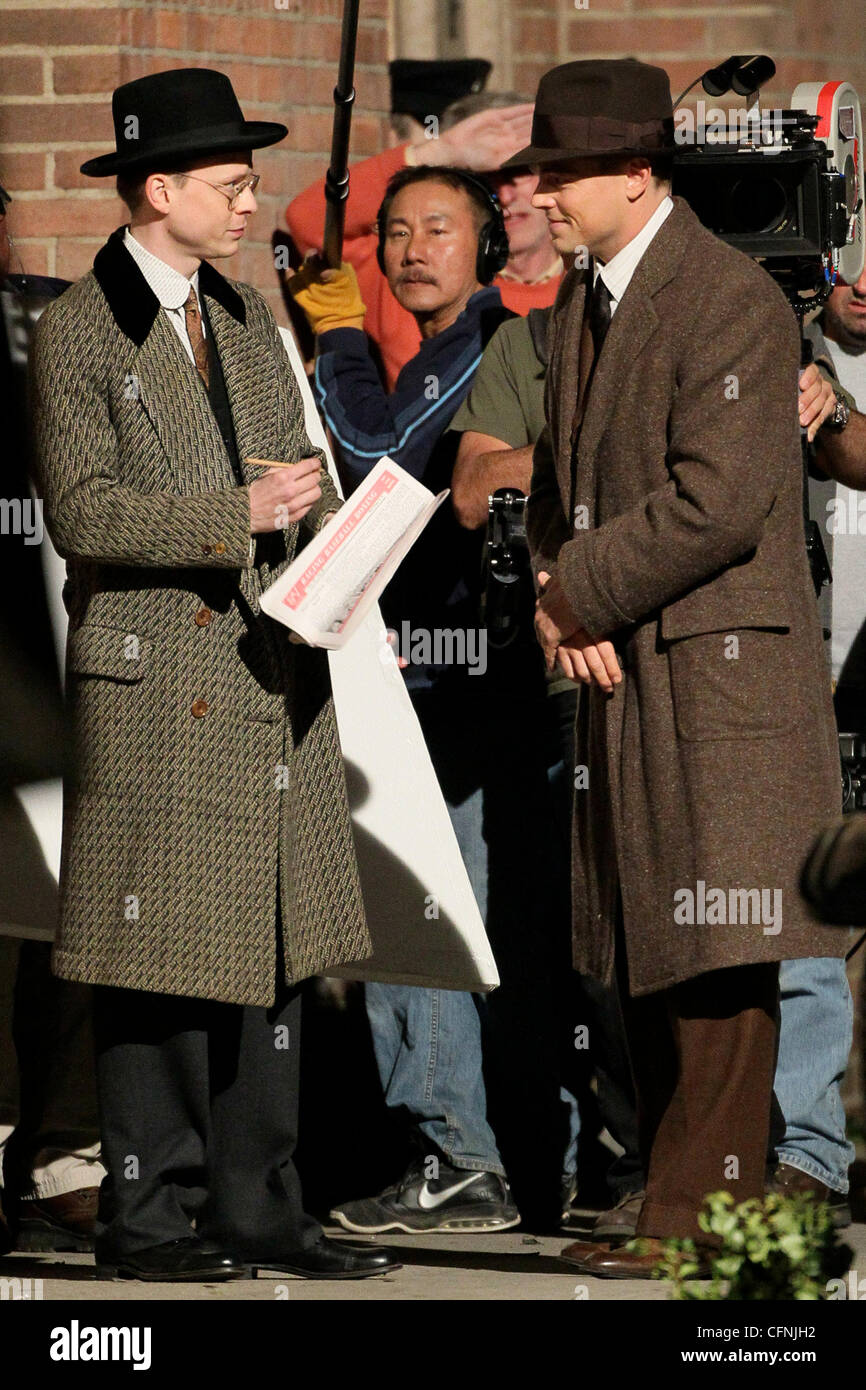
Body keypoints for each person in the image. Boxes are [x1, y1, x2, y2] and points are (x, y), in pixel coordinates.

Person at [30, 67, 399, 1283]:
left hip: (266, 667)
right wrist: (233, 515)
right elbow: (84, 512)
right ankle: (149, 1215)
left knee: (276, 948)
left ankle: (259, 1203)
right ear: (157, 190)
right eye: (230, 185)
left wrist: (339, 543)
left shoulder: (239, 312)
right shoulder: (85, 328)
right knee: (154, 965)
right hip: (156, 681)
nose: (251, 202)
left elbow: (299, 464)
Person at [512, 59, 848, 1278]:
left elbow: (718, 503)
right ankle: (676, 1194)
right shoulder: (578, 303)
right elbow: (558, 494)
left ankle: (701, 1217)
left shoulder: (725, 297)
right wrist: (560, 594)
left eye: (563, 171)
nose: (541, 193)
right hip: (629, 665)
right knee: (647, 944)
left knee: (715, 952)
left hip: (717, 682)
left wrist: (573, 588)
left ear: (634, 176)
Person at [290, 164, 532, 1232]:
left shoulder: (482, 341)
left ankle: (455, 1153)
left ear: (484, 245)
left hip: (454, 678)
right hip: (424, 670)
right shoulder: (437, 348)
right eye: (394, 231)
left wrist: (336, 344)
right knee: (432, 909)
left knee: (419, 908)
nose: (411, 248)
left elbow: (379, 457)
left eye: (439, 227)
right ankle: (472, 1149)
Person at [285, 93, 562, 389]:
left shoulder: (593, 281)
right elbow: (307, 219)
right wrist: (439, 153)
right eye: (483, 179)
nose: (505, 198)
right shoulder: (415, 272)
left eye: (518, 173)